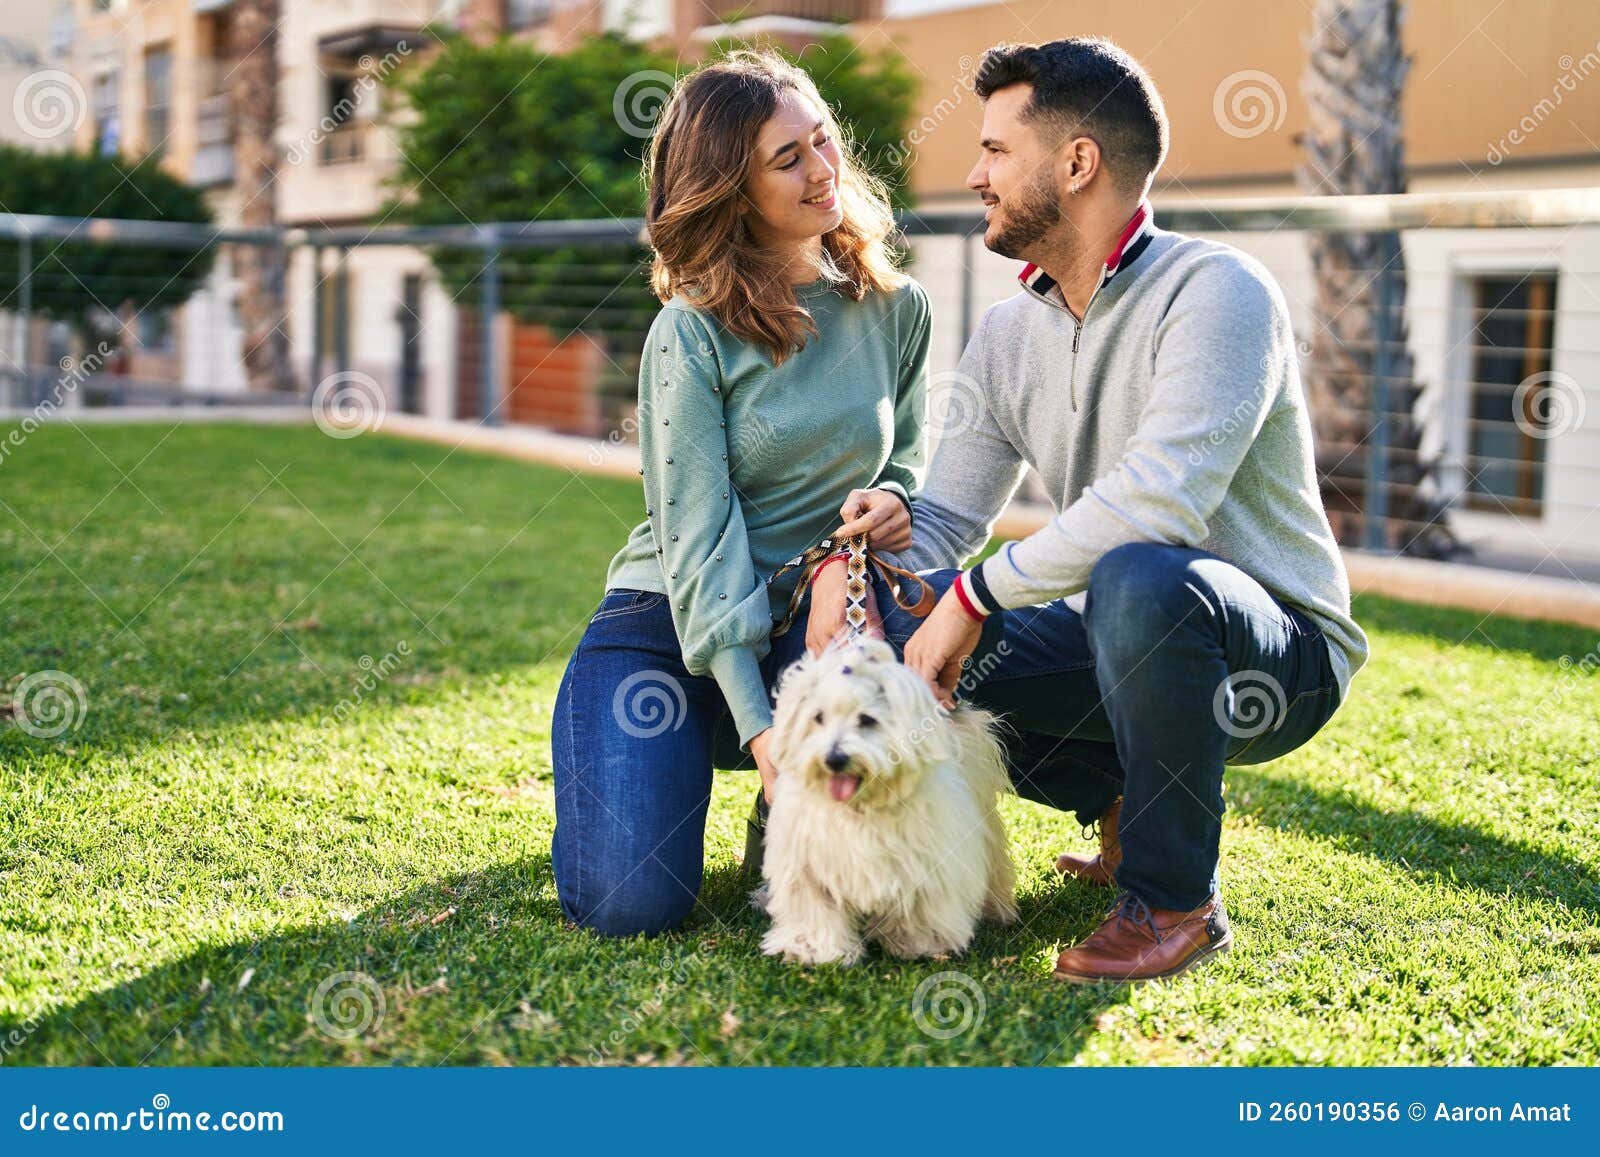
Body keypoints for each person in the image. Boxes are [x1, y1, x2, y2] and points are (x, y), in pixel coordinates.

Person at [846, 38, 1370, 983]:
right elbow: (947, 521)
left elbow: (1161, 501)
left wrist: (975, 596)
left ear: (1077, 162)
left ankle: (1174, 902)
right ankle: (1123, 803)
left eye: (996, 150)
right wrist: (887, 549)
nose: (975, 175)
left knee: (1139, 576)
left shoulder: (1218, 292)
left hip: (1274, 654)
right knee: (914, 618)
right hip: (1120, 635)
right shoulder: (1009, 330)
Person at [550, 50, 932, 937]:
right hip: (671, 622)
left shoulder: (894, 306)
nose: (823, 169)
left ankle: (780, 822)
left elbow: (908, 454)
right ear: (731, 192)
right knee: (631, 903)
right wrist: (768, 740)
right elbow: (700, 537)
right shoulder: (689, 331)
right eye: (787, 159)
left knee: (909, 624)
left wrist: (894, 498)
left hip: (814, 614)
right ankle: (652, 789)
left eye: (823, 141)